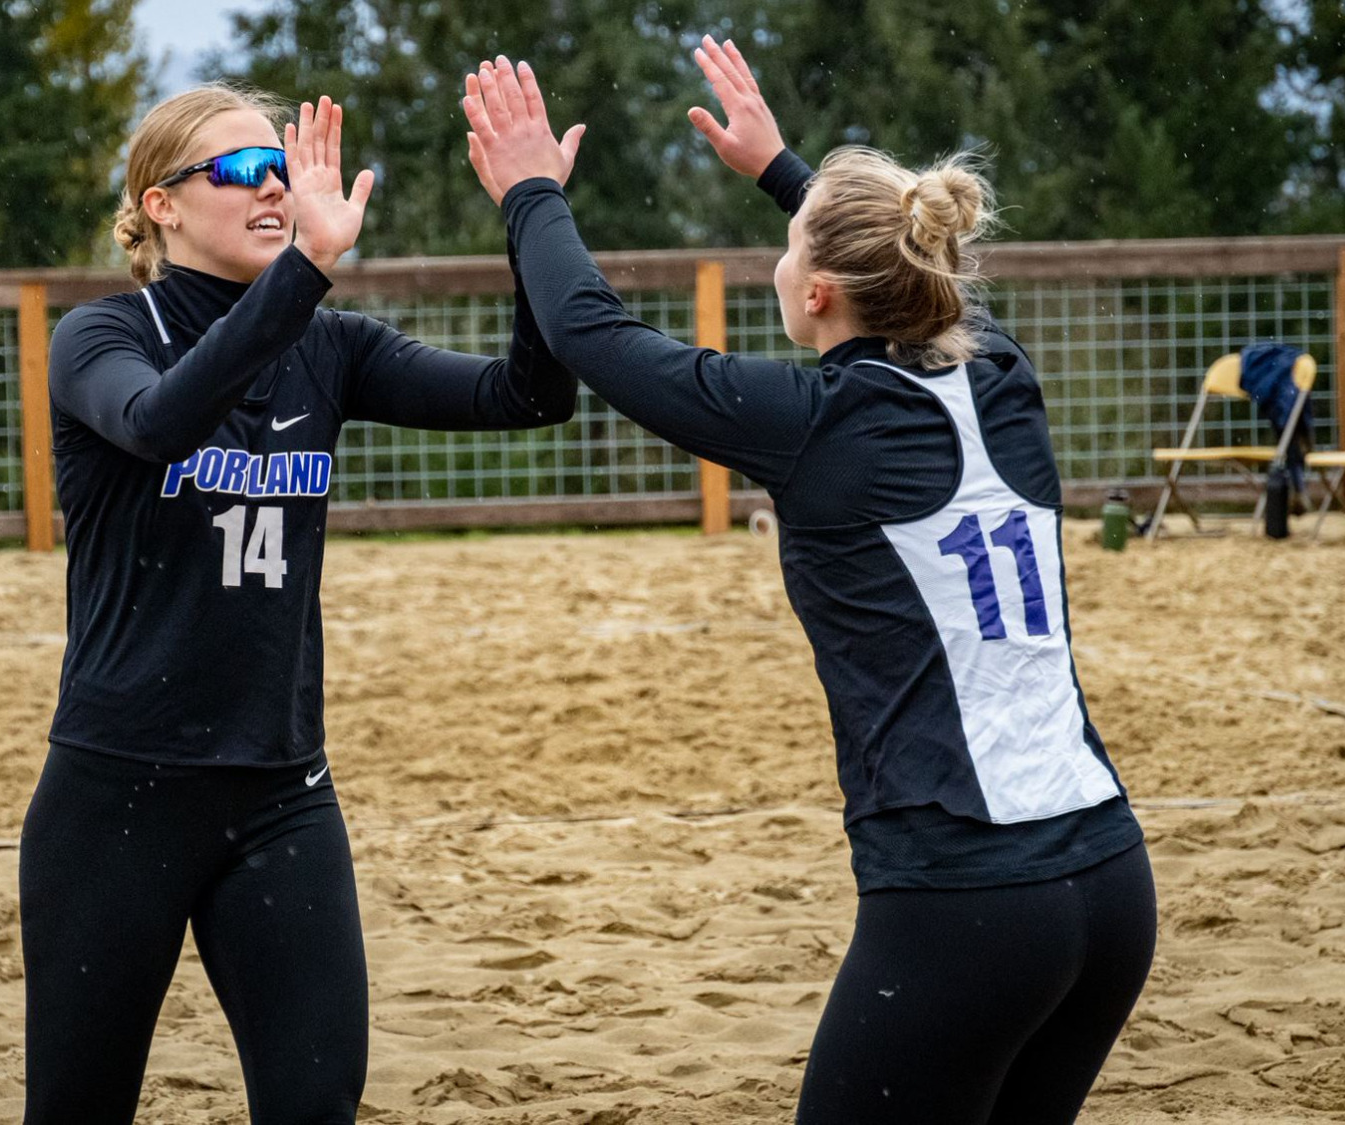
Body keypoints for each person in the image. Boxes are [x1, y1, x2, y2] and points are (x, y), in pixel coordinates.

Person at [460, 42, 1156, 1125]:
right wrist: (785, 172)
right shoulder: (1002, 377)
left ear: (819, 291)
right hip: (1109, 882)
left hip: (964, 896)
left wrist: (530, 192)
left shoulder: (817, 424)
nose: (778, 263)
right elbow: (917, 278)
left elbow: (586, 332)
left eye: (788, 249)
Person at [23, 83, 576, 1123]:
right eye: (236, 170)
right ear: (160, 206)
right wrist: (303, 275)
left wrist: (529, 210)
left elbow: (528, 398)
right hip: (115, 797)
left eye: (278, 165)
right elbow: (156, 422)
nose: (271, 183)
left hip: (281, 793)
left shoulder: (331, 346)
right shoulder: (100, 338)